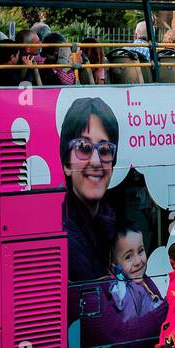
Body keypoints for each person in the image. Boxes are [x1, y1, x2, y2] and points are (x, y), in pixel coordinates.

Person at [60, 96, 120, 284]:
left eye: (104, 149)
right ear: (66, 164)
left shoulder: (107, 219)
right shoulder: (67, 237)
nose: (96, 161)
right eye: (83, 147)